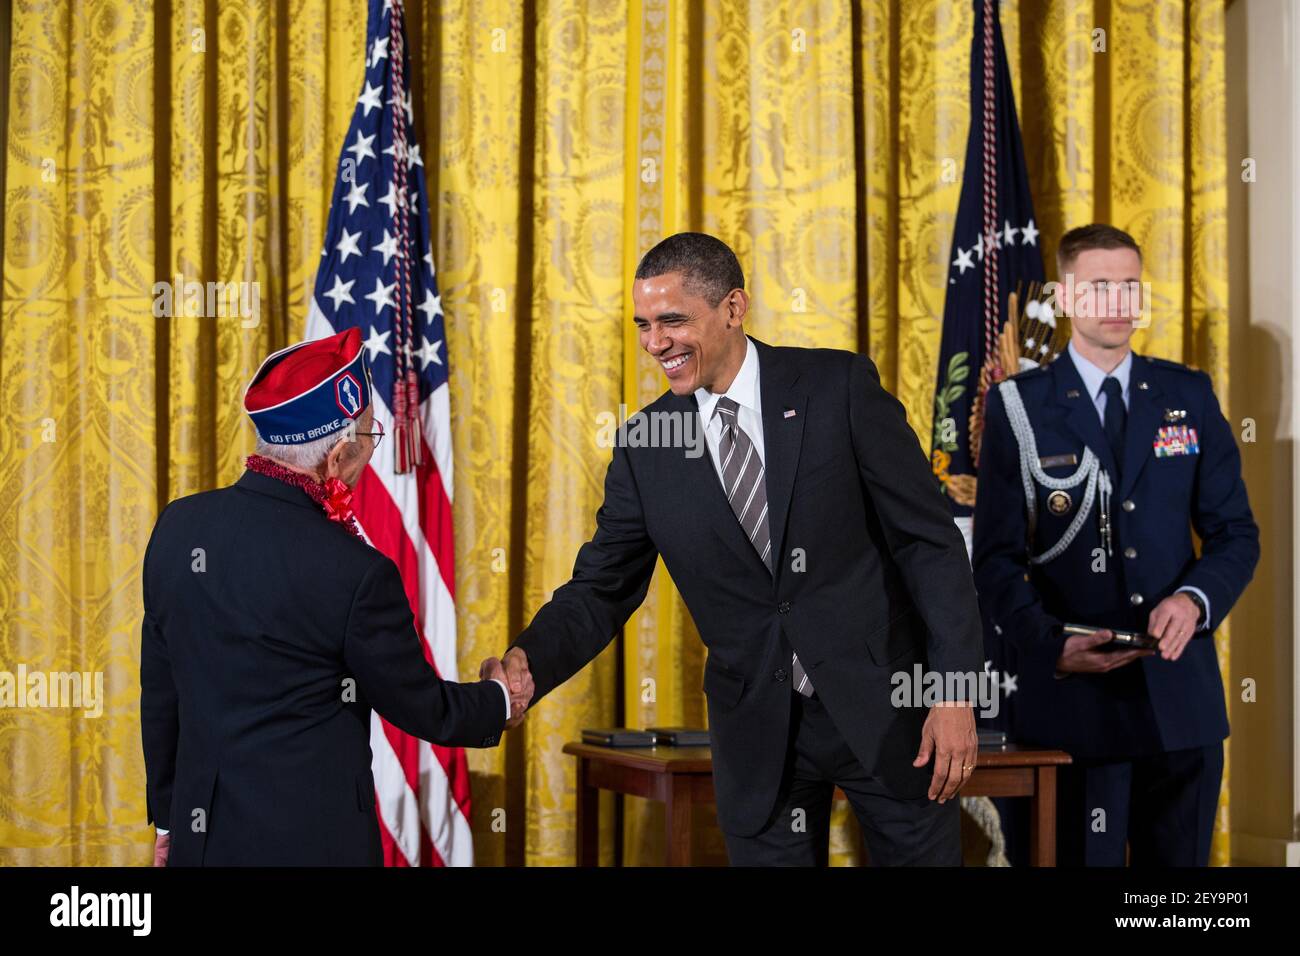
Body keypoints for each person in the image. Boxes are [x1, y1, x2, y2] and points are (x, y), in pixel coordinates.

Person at [503, 232, 984, 865]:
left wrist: (954, 691)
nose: (655, 343)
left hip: (891, 713)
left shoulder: (836, 386)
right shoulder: (645, 445)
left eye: (673, 320)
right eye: (644, 324)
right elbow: (601, 589)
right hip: (759, 732)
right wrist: (525, 663)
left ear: (734, 307)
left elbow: (930, 544)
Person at [139, 327, 529, 866]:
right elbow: (421, 706)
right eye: (372, 438)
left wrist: (168, 818)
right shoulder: (356, 572)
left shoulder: (176, 529)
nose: (372, 454)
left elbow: (161, 694)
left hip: (201, 841)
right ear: (339, 455)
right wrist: (499, 700)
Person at [972, 223, 1259, 865]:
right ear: (1066, 297)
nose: (1119, 302)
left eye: (1130, 286)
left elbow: (1235, 533)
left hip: (1179, 705)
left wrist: (1193, 599)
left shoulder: (1186, 394)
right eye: (1100, 287)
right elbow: (994, 558)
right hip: (1072, 704)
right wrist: (1050, 645)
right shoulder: (1020, 405)